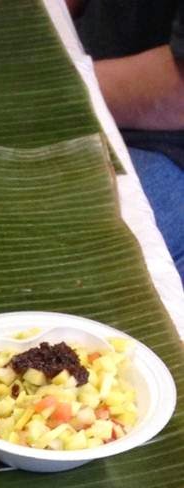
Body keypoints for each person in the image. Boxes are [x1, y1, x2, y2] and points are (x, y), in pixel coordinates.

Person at [69, 0, 184, 281]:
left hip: (165, 143)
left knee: (69, 254)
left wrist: (53, 88)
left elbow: (178, 95)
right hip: (91, 72)